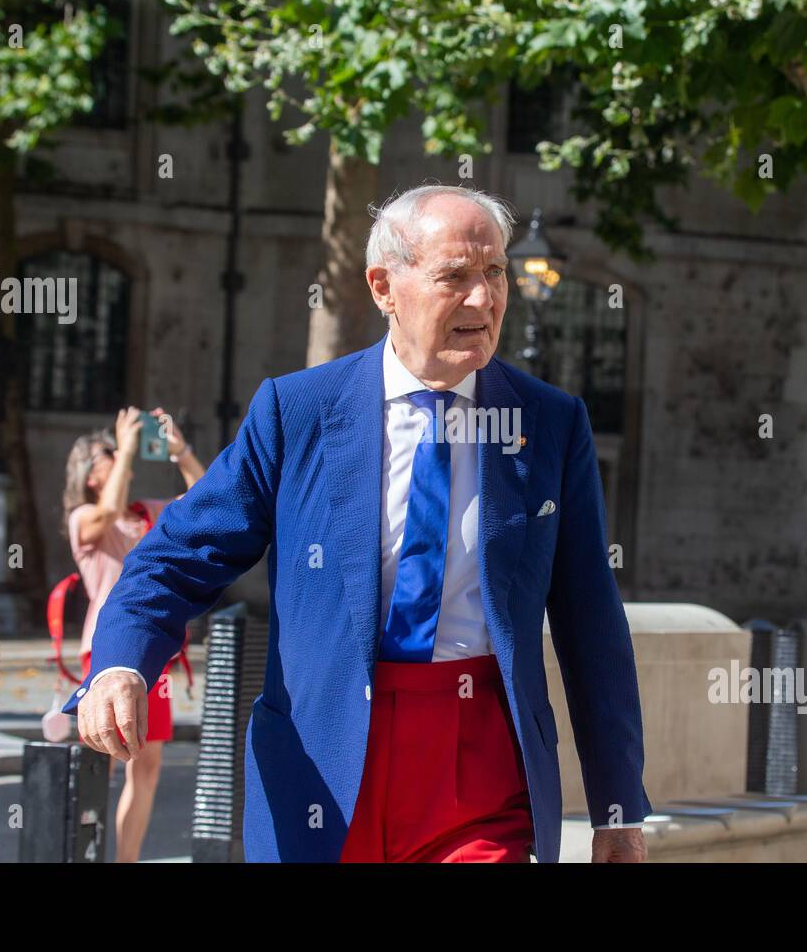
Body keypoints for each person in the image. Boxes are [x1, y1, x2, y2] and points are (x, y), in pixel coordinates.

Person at [66, 184, 652, 863]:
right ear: (383, 286)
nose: (484, 299)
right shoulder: (297, 411)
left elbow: (591, 624)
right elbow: (180, 555)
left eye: (495, 273)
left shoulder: (550, 423)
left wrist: (617, 808)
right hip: (324, 769)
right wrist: (118, 664)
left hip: (482, 781)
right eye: (454, 277)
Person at [62, 406, 205, 862]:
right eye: (107, 453)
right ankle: (83, 853)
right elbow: (105, 516)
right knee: (99, 763)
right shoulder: (84, 516)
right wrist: (126, 449)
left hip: (152, 655)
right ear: (88, 474)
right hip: (103, 655)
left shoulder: (149, 512)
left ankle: (126, 859)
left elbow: (206, 500)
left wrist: (180, 452)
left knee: (146, 767)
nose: (121, 455)